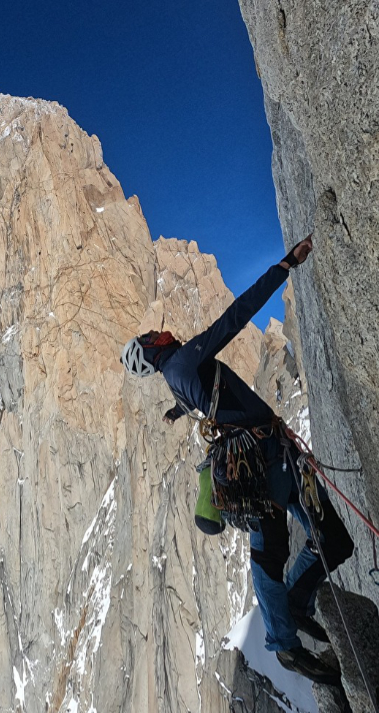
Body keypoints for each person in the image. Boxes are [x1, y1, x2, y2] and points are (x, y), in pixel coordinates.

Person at [120, 235, 354, 685]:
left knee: (327, 541)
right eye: (150, 337)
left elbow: (198, 397)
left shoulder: (178, 376)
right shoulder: (183, 361)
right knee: (275, 552)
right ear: (152, 352)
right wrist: (285, 265)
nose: (159, 332)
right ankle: (284, 644)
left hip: (267, 459)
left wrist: (177, 410)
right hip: (260, 467)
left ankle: (296, 607)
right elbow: (234, 318)